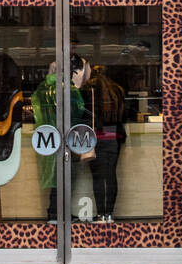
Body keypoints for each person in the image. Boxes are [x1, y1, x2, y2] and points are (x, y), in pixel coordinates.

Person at [30, 55, 89, 221]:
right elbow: (79, 111)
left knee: (55, 177)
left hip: (48, 138)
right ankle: (58, 213)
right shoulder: (69, 89)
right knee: (66, 177)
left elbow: (35, 104)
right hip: (66, 138)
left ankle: (54, 212)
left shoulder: (42, 88)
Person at [83, 64, 127, 223]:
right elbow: (125, 115)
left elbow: (84, 114)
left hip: (97, 137)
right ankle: (109, 214)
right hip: (114, 136)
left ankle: (101, 214)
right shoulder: (118, 89)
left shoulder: (90, 88)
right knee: (111, 175)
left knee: (98, 178)